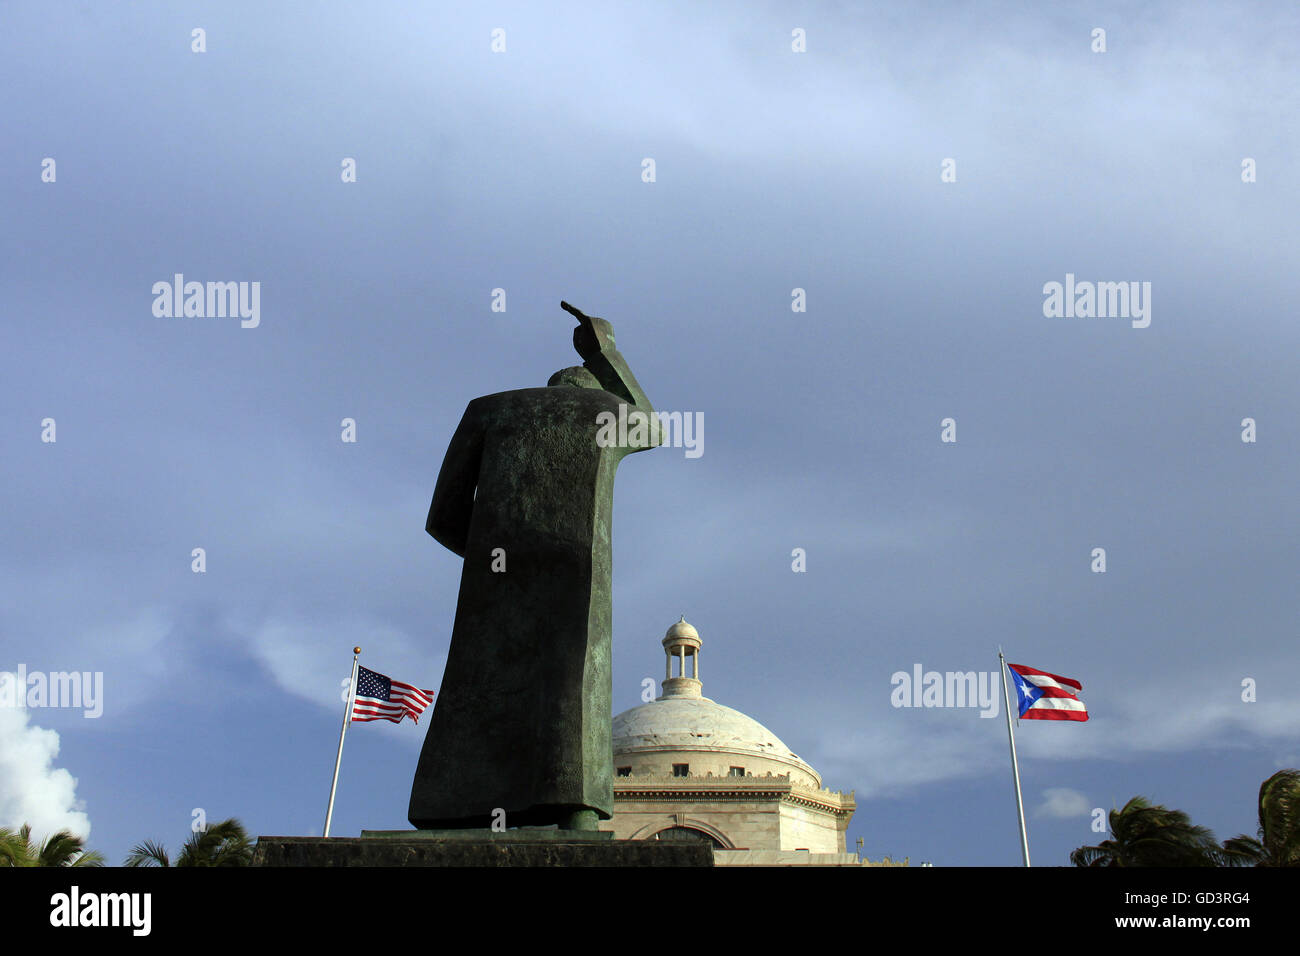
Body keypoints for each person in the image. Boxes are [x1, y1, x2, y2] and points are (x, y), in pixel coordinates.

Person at [408, 302, 660, 830]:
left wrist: (489, 562)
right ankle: (575, 811)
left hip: (493, 569)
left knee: (478, 677)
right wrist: (604, 348)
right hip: (576, 565)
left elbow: (442, 516)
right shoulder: (606, 413)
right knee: (572, 678)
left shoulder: (488, 409)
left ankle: (453, 806)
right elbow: (652, 426)